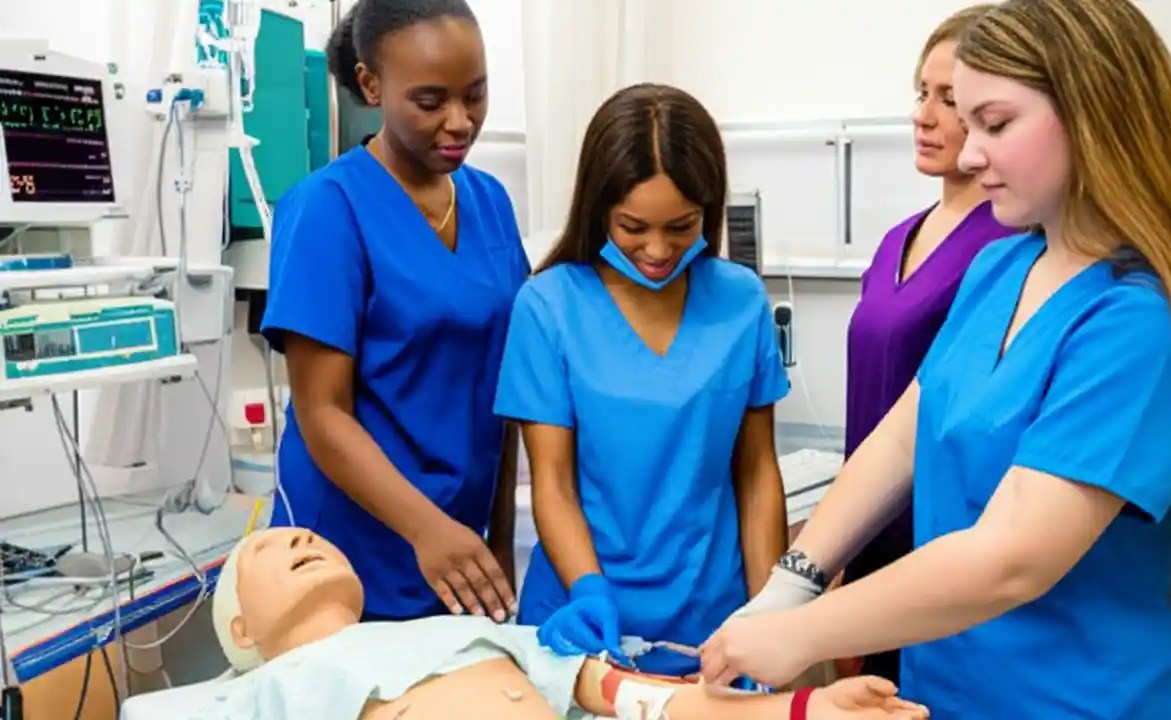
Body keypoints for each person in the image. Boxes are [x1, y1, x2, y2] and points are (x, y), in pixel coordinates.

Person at [700, 0, 1171, 717]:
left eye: (995, 124)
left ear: (1093, 113)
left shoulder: (1140, 324)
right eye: (966, 125)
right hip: (945, 696)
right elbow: (906, 434)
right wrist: (794, 579)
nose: (970, 155)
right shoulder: (1000, 268)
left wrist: (800, 632)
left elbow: (1011, 559)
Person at [493, 83, 791, 677]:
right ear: (598, 207)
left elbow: (757, 473)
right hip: (585, 615)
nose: (657, 250)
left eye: (681, 227)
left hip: (714, 619)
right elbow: (552, 484)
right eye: (633, 227)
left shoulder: (740, 302)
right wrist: (588, 589)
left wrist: (772, 616)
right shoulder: (549, 306)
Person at [259, 0, 527, 625]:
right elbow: (324, 414)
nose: (460, 122)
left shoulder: (490, 202)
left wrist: (499, 537)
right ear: (371, 84)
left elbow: (507, 389)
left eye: (476, 95)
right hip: (348, 559)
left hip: (457, 550)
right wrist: (427, 529)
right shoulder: (327, 208)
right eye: (430, 102)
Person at [203, 527, 930, 720]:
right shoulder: (265, 691)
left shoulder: (462, 634)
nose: (299, 540)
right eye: (267, 548)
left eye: (308, 538)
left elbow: (653, 702)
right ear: (241, 633)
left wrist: (808, 707)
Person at [836, 3, 1012, 684]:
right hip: (868, 532)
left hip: (946, 544)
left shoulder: (1012, 248)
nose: (925, 115)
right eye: (921, 92)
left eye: (950, 101)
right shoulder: (894, 243)